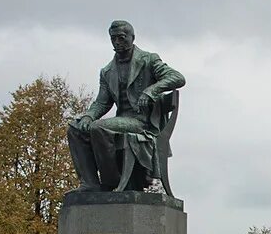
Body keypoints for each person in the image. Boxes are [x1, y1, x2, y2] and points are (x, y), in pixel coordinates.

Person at [66, 20, 185, 192]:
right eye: (113, 39)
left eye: (121, 38)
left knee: (98, 128)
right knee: (75, 128)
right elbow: (101, 102)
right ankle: (90, 183)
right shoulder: (107, 71)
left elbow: (178, 78)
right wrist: (88, 116)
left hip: (141, 122)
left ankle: (112, 182)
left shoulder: (148, 60)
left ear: (132, 37)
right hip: (122, 121)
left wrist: (151, 90)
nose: (117, 42)